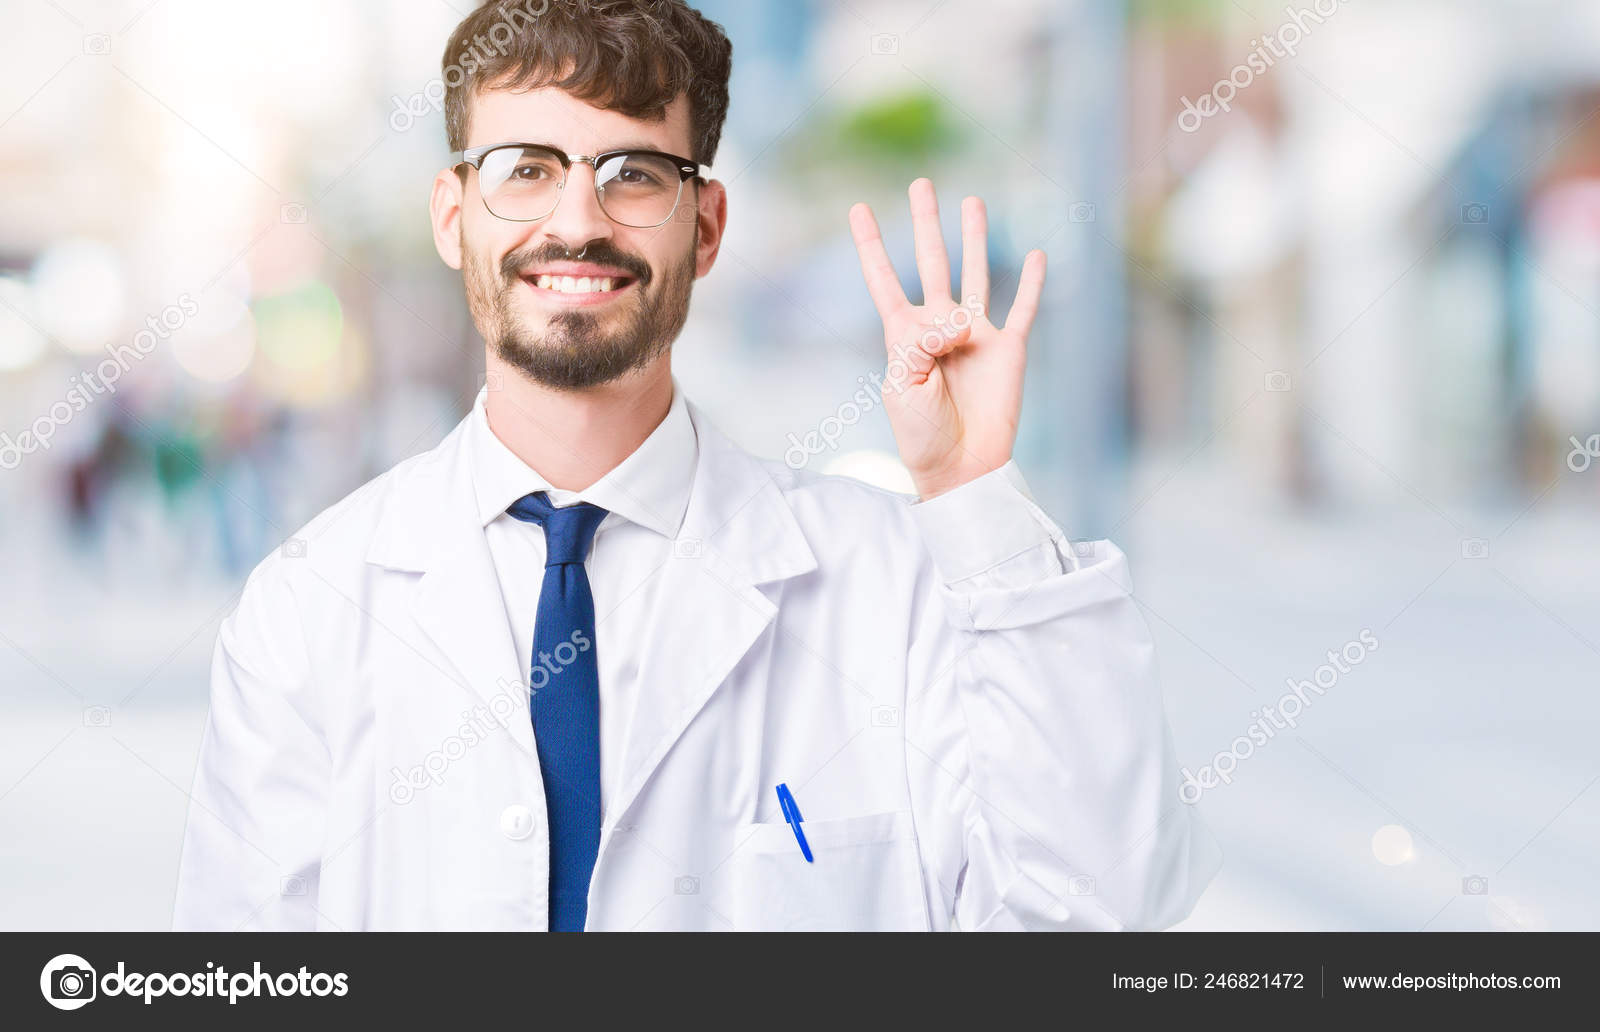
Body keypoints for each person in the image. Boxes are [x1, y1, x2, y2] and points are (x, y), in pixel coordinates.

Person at [173, 0, 1218, 932]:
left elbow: (1103, 911)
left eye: (633, 174)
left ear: (705, 225)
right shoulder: (308, 610)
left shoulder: (890, 585)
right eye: (525, 170)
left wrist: (976, 498)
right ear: (456, 218)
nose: (577, 223)